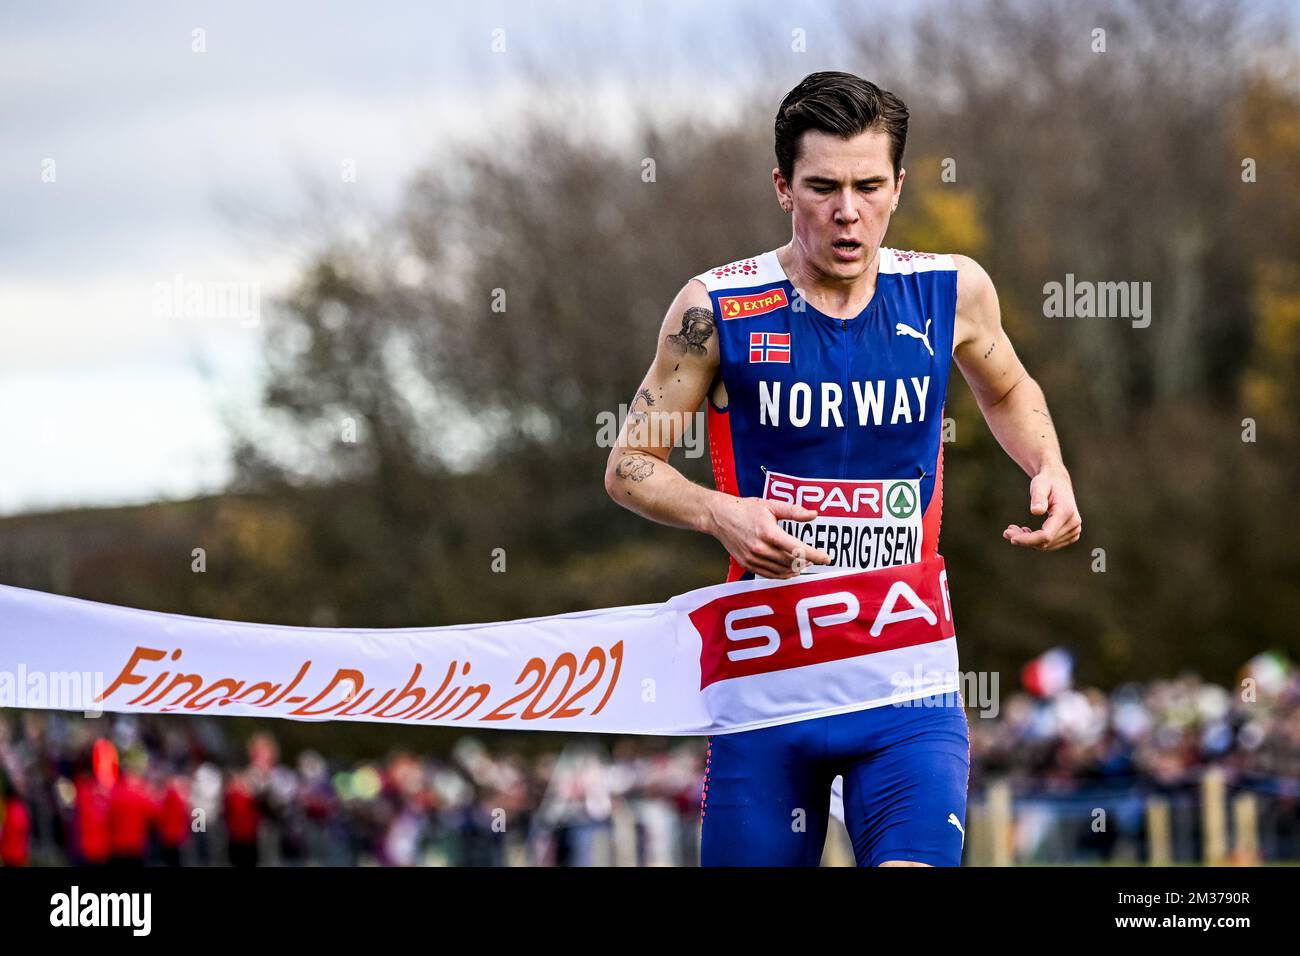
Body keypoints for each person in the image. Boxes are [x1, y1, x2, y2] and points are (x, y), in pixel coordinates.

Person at [605, 71, 1081, 866]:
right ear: (783, 187)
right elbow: (629, 466)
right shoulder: (715, 308)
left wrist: (1049, 463)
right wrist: (723, 512)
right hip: (767, 686)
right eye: (822, 187)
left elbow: (1008, 389)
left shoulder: (951, 290)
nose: (847, 211)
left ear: (898, 185)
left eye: (868, 186)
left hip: (904, 679)